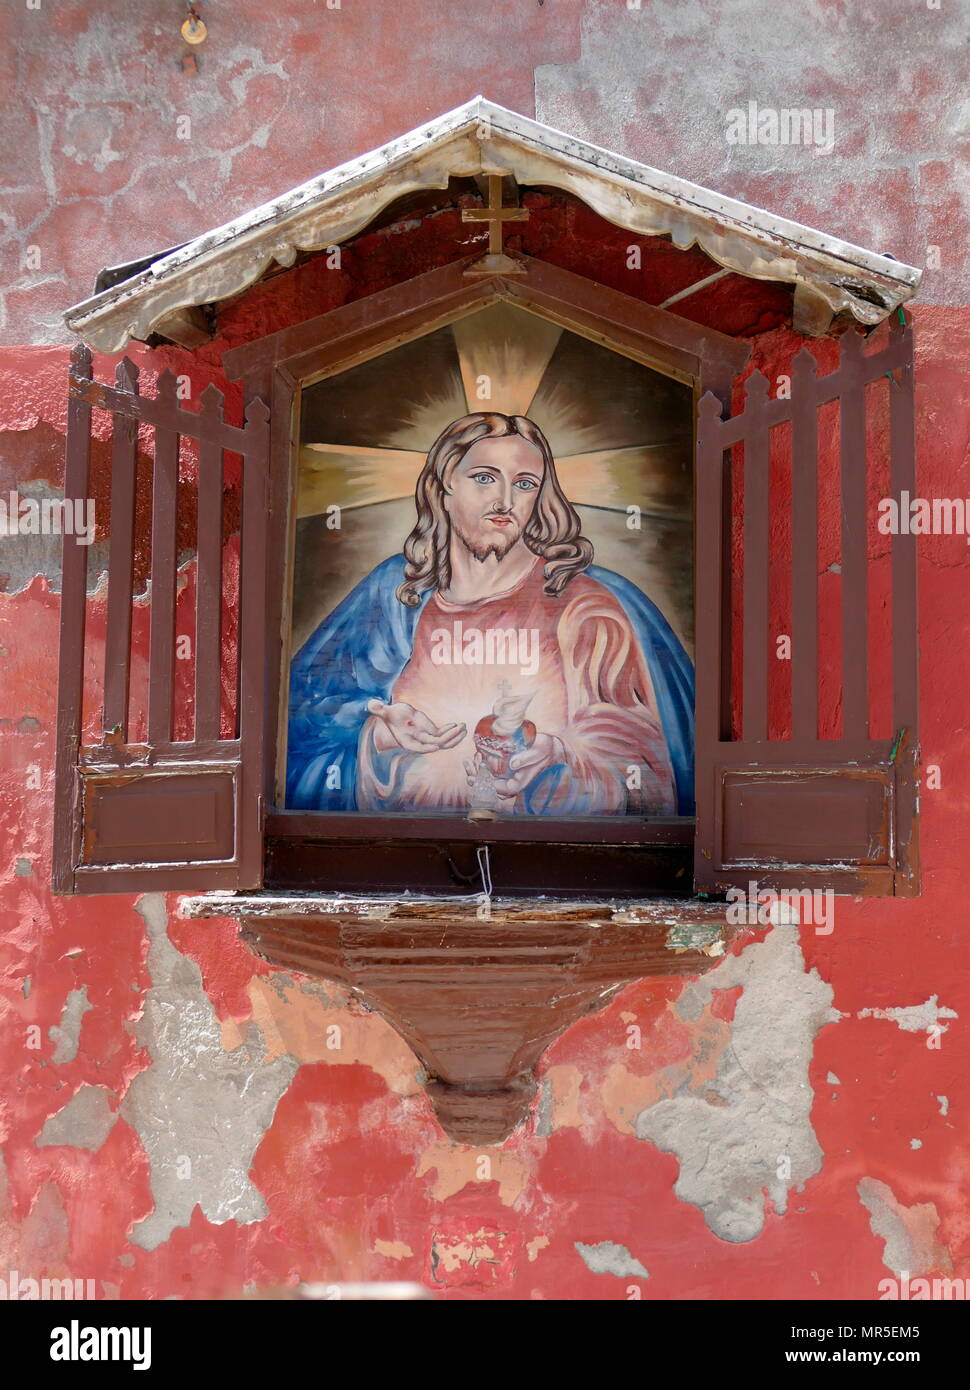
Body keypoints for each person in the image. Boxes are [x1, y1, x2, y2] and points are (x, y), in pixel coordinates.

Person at [287, 412, 694, 816]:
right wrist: (376, 736)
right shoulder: (394, 595)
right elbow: (297, 726)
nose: (504, 501)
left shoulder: (583, 605)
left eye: (524, 484)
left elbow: (641, 773)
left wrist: (560, 757)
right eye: (484, 477)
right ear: (443, 486)